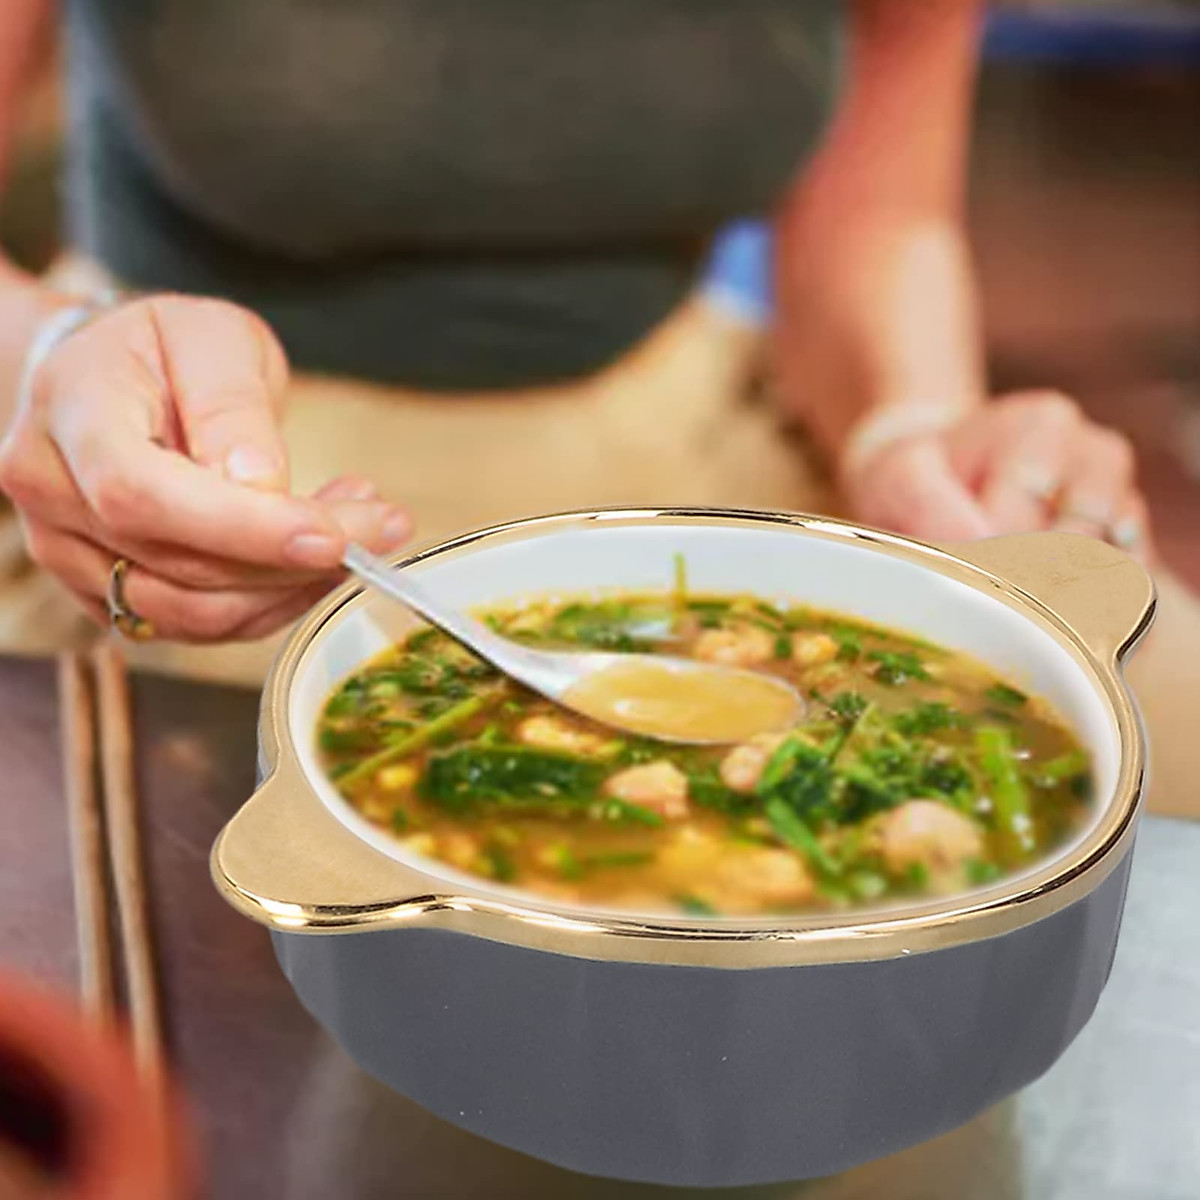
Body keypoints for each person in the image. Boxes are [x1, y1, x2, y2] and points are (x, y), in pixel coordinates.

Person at [0, 0, 1159, 648]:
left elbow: (876, 219)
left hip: (685, 436)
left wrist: (909, 429)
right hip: (186, 457)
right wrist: (51, 362)